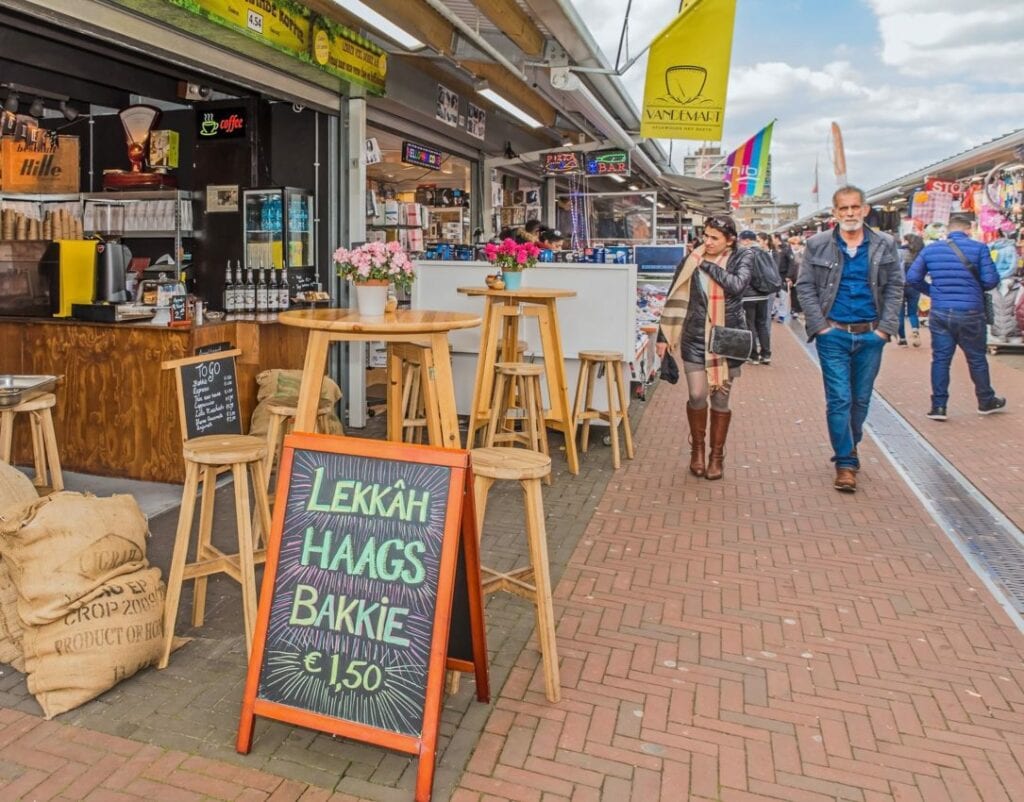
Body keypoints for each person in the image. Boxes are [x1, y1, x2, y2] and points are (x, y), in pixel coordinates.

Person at [796, 185, 903, 493]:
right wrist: (820, 326)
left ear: (865, 209)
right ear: (835, 213)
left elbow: (896, 286)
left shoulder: (884, 244)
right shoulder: (817, 244)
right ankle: (845, 462)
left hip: (871, 334)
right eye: (843, 209)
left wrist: (884, 329)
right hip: (834, 334)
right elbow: (805, 287)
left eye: (855, 207)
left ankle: (850, 443)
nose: (850, 213)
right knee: (839, 398)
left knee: (861, 399)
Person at [656, 215, 754, 480]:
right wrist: (663, 337)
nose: (707, 242)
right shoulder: (690, 260)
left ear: (730, 240)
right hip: (694, 337)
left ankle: (716, 456)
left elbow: (736, 285)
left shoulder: (742, 258)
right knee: (697, 394)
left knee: (720, 399)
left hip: (726, 339)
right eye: (706, 236)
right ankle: (697, 449)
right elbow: (673, 295)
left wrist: (707, 265)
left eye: (714, 238)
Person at [906, 214, 1004, 420]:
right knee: (976, 359)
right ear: (968, 230)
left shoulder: (930, 250)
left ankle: (939, 406)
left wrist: (933, 291)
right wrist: (974, 288)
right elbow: (991, 281)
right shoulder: (979, 248)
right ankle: (985, 400)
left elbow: (912, 278)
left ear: (948, 230)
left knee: (940, 359)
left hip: (940, 311)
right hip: (971, 311)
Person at [737, 230, 773, 364]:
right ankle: (766, 354)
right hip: (764, 294)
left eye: (741, 240)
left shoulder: (745, 253)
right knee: (762, 324)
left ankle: (753, 356)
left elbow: (743, 274)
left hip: (749, 295)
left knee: (750, 324)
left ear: (746, 240)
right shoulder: (765, 252)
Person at [898, 234, 925, 346]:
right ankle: (915, 330)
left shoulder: (900, 252)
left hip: (900, 286)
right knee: (913, 312)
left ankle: (903, 339)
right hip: (914, 286)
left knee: (899, 314)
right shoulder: (920, 255)